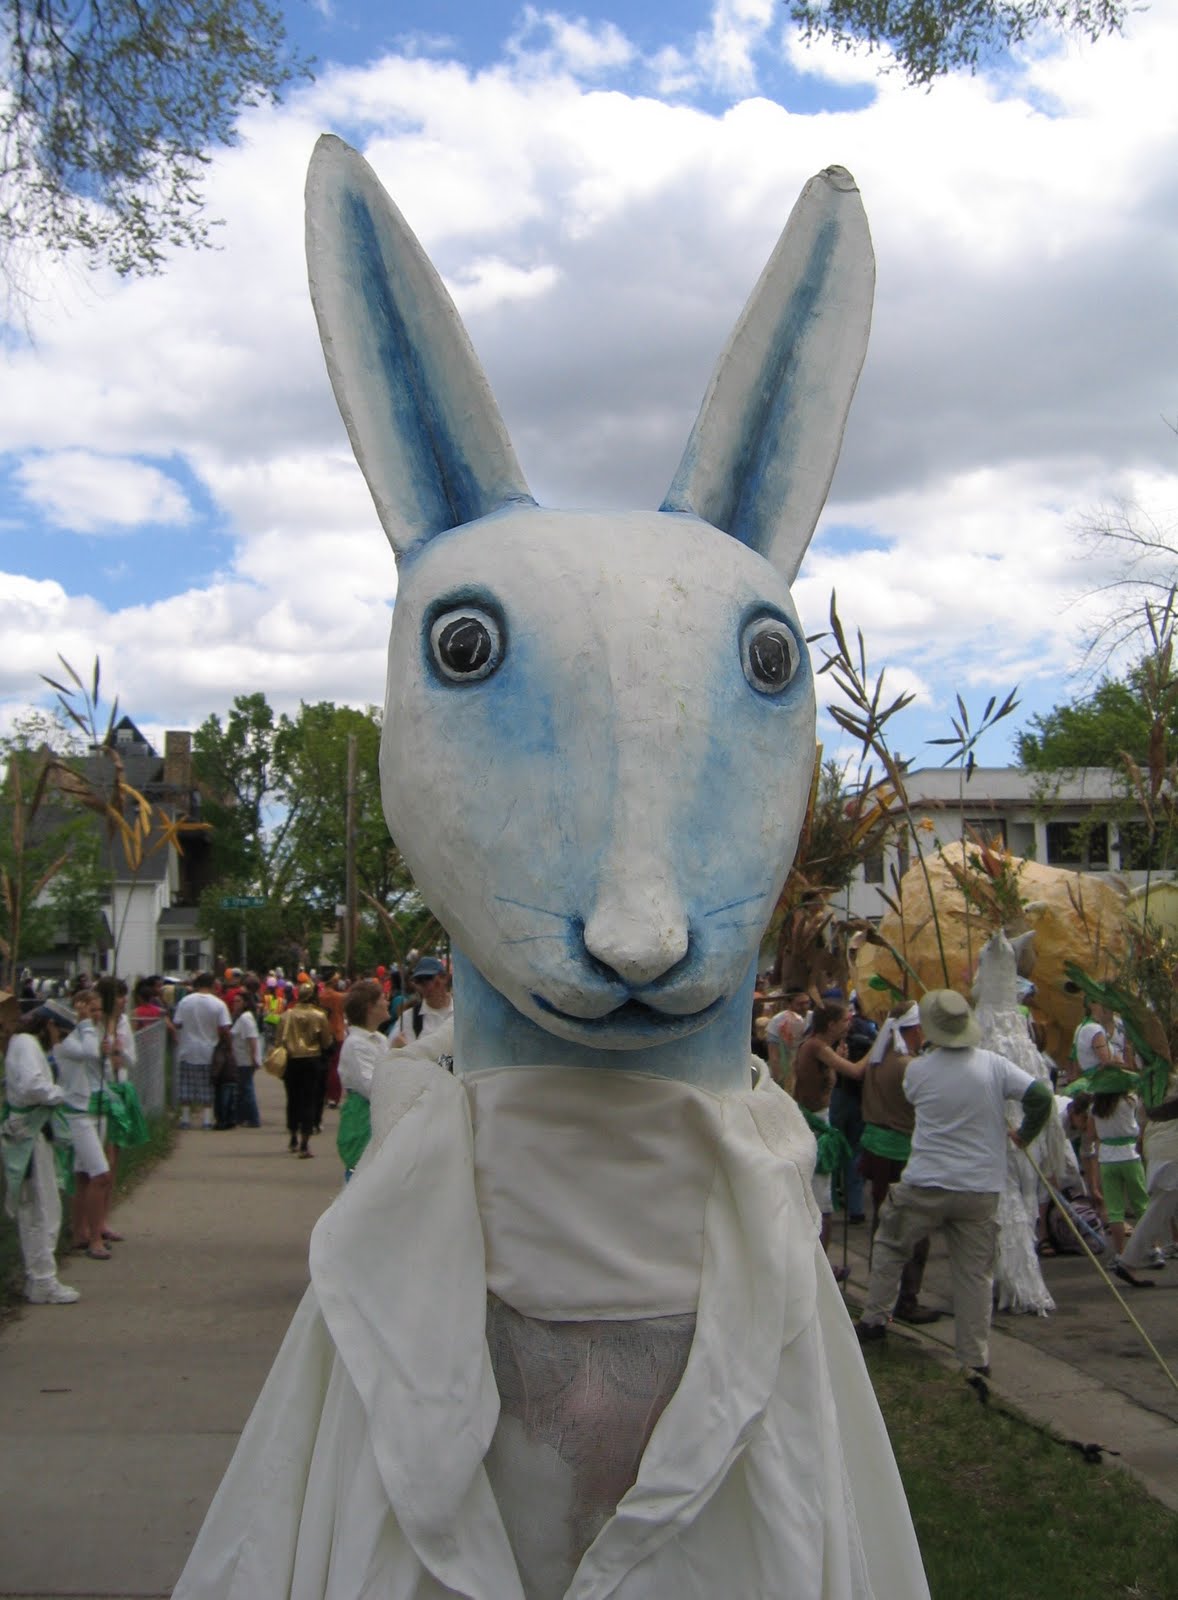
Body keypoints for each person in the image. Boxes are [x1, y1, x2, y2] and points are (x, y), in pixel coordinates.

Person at [857, 988, 1054, 1375]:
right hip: (980, 1187)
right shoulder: (995, 1066)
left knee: (890, 1245)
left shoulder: (917, 1070)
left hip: (927, 1181)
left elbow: (915, 1099)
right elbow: (1041, 1098)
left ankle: (875, 1320)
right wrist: (1024, 1134)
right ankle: (974, 1358)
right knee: (974, 1275)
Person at [858, 1001, 940, 1325]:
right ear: (915, 1029)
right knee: (915, 1231)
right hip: (901, 1151)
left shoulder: (877, 1059)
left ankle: (882, 1294)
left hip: (876, 1146)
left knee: (883, 1225)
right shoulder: (908, 1065)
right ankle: (906, 1298)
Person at [1, 994, 80, 1303]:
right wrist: (59, 1093)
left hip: (31, 1134)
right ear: (49, 1025)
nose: (57, 1040)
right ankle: (43, 1279)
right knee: (42, 1208)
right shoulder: (28, 1045)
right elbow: (34, 1087)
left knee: (37, 1207)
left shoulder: (22, 1044)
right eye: (59, 1033)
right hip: (30, 1136)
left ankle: (40, 1277)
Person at [792, 1001, 863, 1280]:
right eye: (845, 1020)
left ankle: (817, 1263)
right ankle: (819, 1268)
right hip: (815, 1124)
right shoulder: (816, 1047)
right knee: (822, 1202)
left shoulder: (822, 1048)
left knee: (820, 1196)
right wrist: (881, 1042)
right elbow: (856, 1072)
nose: (849, 1025)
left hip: (820, 1119)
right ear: (831, 1024)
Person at [53, 988, 117, 1258]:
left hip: (93, 1105)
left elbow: (102, 1068)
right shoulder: (67, 1040)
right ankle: (94, 1240)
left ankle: (80, 1232)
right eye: (91, 1010)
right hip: (77, 1112)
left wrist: (105, 1054)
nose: (96, 1016)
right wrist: (87, 1026)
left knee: (83, 1176)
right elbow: (88, 1052)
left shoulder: (86, 1036)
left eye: (98, 1010)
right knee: (100, 1174)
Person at [1117, 1065, 1178, 1281]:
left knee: (1161, 1207)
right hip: (1173, 1151)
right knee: (1157, 1210)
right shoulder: (1171, 1079)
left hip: (1157, 1147)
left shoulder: (1151, 1080)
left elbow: (1143, 1117)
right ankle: (1128, 1260)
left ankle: (1129, 1260)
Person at [1087, 1067, 1150, 1266]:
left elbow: (1090, 1136)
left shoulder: (1095, 1108)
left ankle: (1121, 1253)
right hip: (1130, 1154)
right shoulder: (1129, 1101)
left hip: (1107, 1157)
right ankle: (1153, 1248)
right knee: (1142, 1203)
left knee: (1114, 1209)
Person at [336, 979, 398, 1177]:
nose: (387, 1002)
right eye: (382, 998)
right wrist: (397, 1055)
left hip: (381, 1118)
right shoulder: (356, 1044)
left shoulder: (379, 1039)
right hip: (363, 1119)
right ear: (370, 1007)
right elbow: (371, 1088)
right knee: (362, 1175)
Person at [275, 983, 334, 1157]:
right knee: (309, 1100)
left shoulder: (287, 1015)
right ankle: (305, 1143)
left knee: (292, 1099)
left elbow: (279, 1041)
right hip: (312, 1060)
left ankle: (293, 1136)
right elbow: (326, 1042)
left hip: (292, 1061)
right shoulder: (319, 1015)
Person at [174, 972, 232, 1129]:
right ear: (213, 985)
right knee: (208, 1085)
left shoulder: (185, 1002)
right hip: (209, 1050)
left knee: (186, 1085)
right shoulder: (218, 1004)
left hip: (187, 1049)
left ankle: (185, 1118)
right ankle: (207, 1120)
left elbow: (177, 1023)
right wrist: (228, 1045)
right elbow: (225, 1027)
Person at [391, 956, 453, 1047]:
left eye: (428, 978)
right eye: (419, 981)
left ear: (444, 978)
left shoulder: (463, 1013)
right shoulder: (409, 1019)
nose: (426, 986)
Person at [764, 990, 810, 1094]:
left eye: (807, 1003)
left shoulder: (812, 1018)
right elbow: (774, 1057)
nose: (805, 1007)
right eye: (800, 1004)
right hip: (784, 1069)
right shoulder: (777, 1022)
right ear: (789, 1004)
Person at [230, 990, 262, 1128]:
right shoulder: (241, 1018)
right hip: (240, 1058)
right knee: (242, 1089)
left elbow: (252, 1039)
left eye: (238, 1001)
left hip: (245, 1060)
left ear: (245, 1003)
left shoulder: (245, 1018)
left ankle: (253, 1118)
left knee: (247, 1088)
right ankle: (241, 1117)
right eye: (234, 1001)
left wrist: (254, 1058)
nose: (235, 1004)